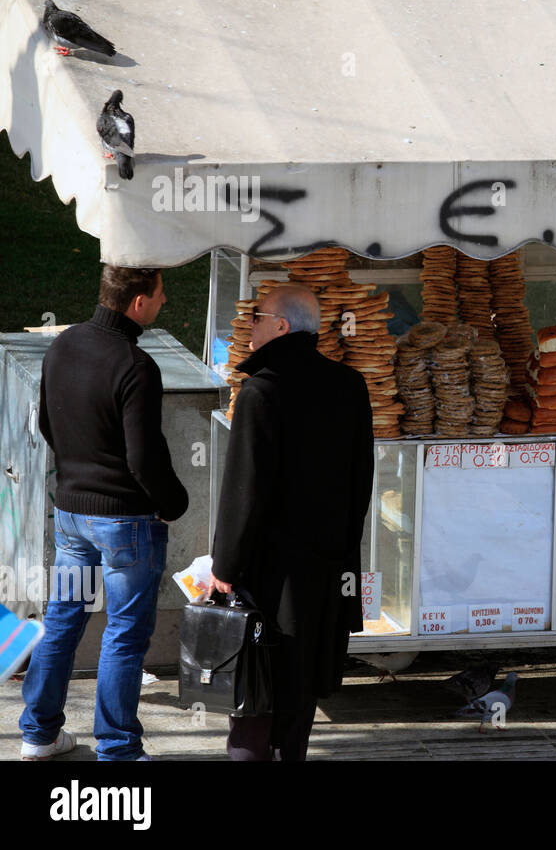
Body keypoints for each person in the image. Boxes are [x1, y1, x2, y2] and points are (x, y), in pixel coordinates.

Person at [20, 266, 189, 761]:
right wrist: (173, 503)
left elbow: (48, 423)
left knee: (63, 619)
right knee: (125, 632)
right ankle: (117, 750)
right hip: (125, 523)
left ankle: (38, 734)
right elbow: (144, 458)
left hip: (72, 513)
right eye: (159, 294)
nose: (163, 301)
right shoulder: (136, 366)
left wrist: (78, 474)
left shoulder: (64, 344)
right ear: (137, 302)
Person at [210, 283, 374, 761]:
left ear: (281, 326)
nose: (249, 326)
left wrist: (225, 566)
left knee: (254, 696)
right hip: (325, 573)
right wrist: (341, 551)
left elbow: (245, 492)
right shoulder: (349, 385)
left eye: (257, 317)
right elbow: (360, 481)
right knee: (300, 692)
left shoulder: (262, 392)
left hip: (269, 576)